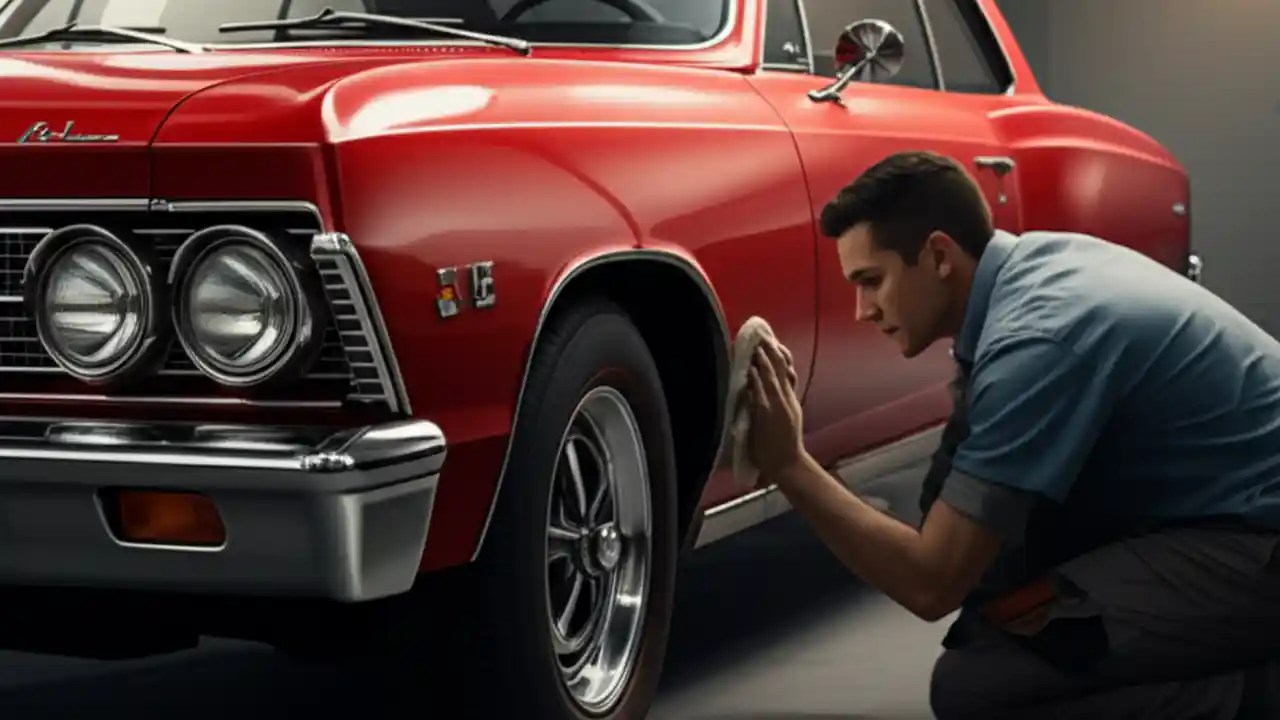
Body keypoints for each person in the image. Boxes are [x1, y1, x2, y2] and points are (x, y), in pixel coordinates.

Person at [745, 150, 1280, 719]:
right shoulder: (1035, 267)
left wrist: (790, 467)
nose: (862, 310)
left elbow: (931, 583)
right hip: (1226, 513)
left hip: (1257, 539)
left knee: (978, 687)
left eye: (871, 281)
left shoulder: (1038, 339)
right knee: (998, 588)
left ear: (938, 256)